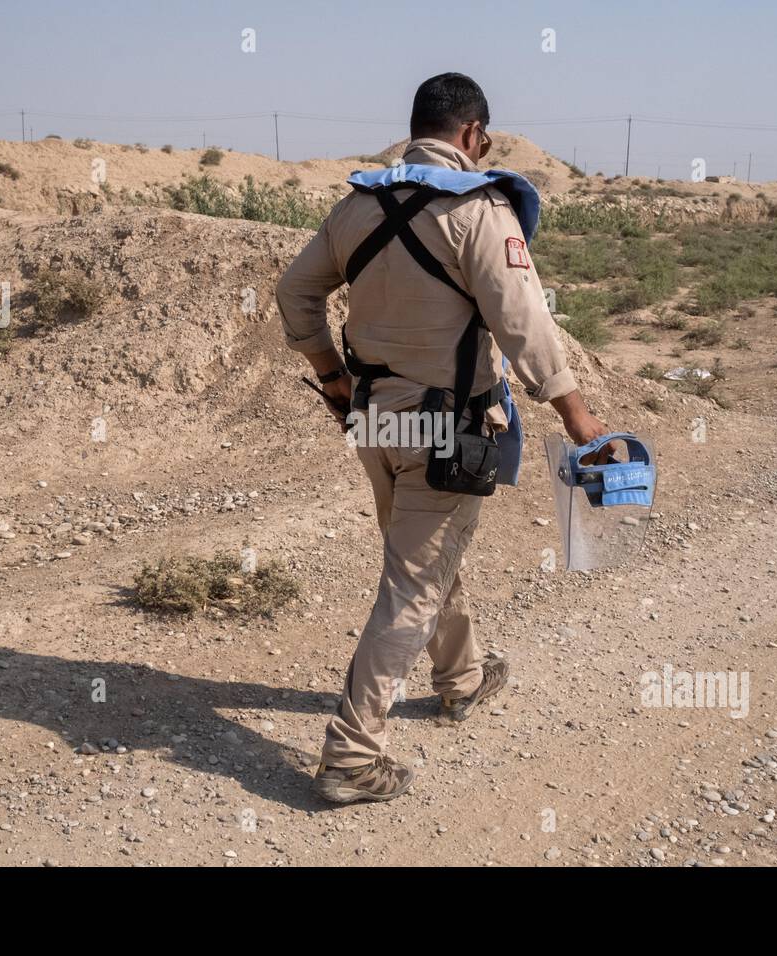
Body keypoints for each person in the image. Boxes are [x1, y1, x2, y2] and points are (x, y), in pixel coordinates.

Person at [276, 72, 617, 804]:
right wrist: (579, 419)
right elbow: (523, 325)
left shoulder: (357, 206)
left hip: (373, 418)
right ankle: (351, 757)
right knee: (412, 581)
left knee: (421, 556)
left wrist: (332, 379)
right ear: (474, 136)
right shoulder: (480, 210)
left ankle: (460, 679)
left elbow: (293, 292)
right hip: (447, 428)